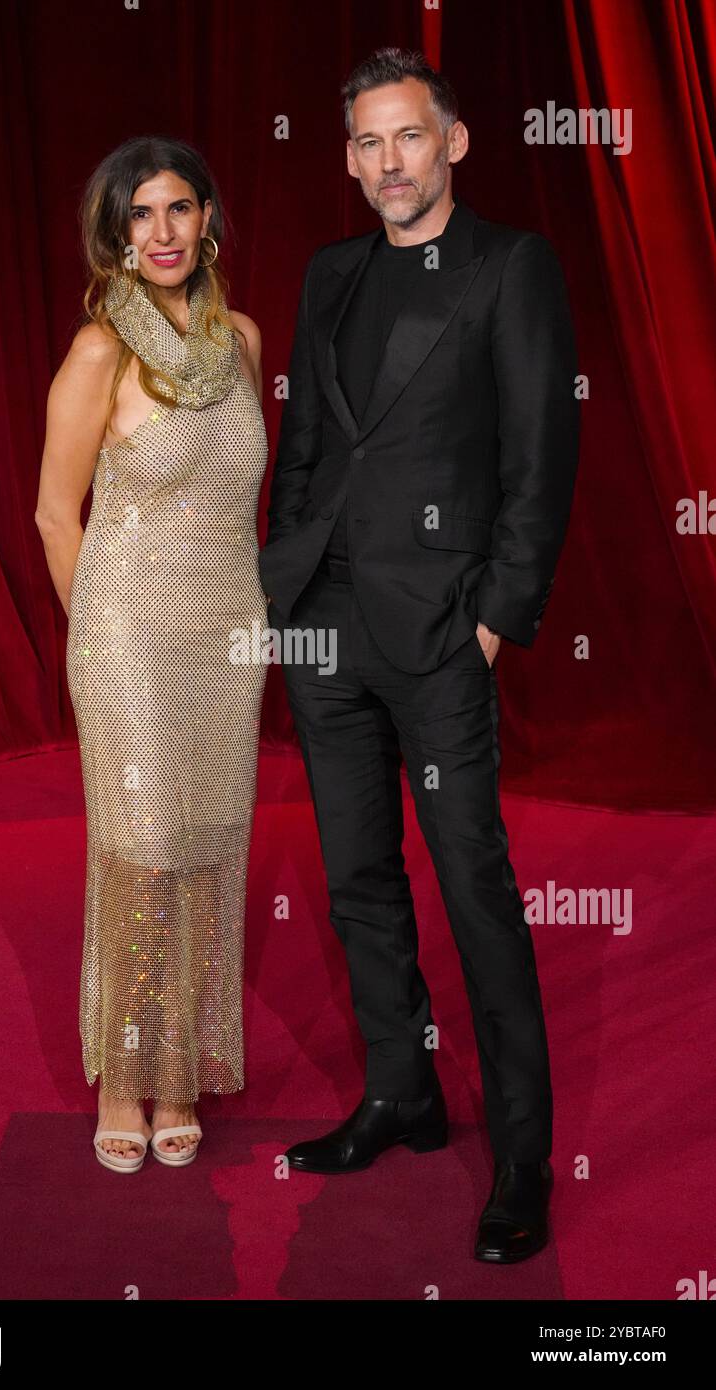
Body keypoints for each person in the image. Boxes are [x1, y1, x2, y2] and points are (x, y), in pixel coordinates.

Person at [258, 48, 580, 1262]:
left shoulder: (508, 267)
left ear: (450, 143)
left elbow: (538, 460)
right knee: (356, 881)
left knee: (476, 895)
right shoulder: (330, 272)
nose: (387, 162)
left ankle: (521, 1159)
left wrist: (494, 617)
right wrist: (285, 580)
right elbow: (304, 442)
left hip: (442, 633)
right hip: (325, 628)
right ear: (345, 158)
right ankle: (401, 1094)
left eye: (408, 137)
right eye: (365, 143)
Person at [35, 136, 266, 1173]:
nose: (163, 232)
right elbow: (51, 512)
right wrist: (95, 638)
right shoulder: (99, 352)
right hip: (125, 633)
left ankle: (178, 1073)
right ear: (116, 237)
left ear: (207, 218)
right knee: (140, 854)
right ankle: (121, 1082)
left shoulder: (246, 342)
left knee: (208, 850)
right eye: (141, 215)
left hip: (226, 634)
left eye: (178, 209)